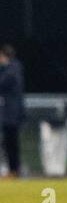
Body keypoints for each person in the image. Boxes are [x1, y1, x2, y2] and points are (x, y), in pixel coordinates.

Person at [0, 44, 25, 178]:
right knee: (9, 143)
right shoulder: (14, 68)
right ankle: (13, 169)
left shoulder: (12, 70)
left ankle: (14, 170)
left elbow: (2, 84)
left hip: (12, 114)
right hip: (11, 113)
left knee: (11, 144)